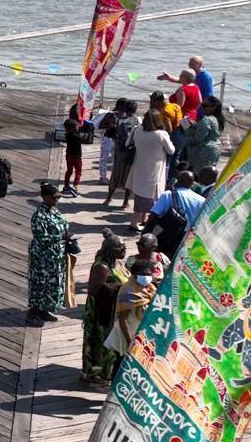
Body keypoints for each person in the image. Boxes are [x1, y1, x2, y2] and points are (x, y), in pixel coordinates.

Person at [81, 233, 128, 383]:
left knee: (110, 342)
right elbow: (93, 290)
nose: (124, 250)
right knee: (100, 341)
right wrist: (118, 288)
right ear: (110, 250)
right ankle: (96, 373)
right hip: (101, 310)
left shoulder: (117, 263)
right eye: (120, 248)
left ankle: (107, 371)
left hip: (114, 308)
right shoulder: (102, 267)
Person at [28, 181, 74, 323]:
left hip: (56, 257)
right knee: (40, 285)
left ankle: (44, 310)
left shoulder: (55, 211)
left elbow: (64, 224)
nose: (56, 200)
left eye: (58, 197)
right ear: (45, 197)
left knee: (52, 285)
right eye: (54, 197)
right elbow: (41, 237)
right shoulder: (39, 215)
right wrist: (60, 237)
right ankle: (33, 313)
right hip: (42, 257)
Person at [126, 108, 177, 231]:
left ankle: (139, 220)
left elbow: (128, 143)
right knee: (151, 199)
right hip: (155, 170)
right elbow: (171, 150)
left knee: (140, 197)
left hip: (139, 168)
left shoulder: (138, 130)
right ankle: (135, 223)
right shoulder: (161, 134)